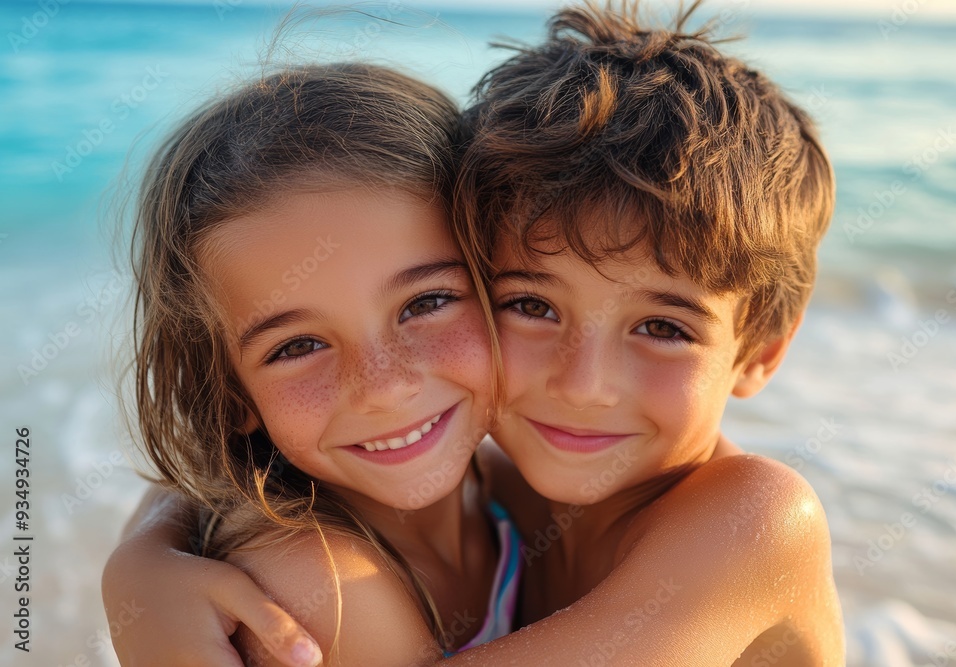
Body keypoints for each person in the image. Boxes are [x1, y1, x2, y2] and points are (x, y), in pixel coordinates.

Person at [105, 2, 845, 664]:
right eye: (533, 306)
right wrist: (147, 552)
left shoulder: (757, 522)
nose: (583, 384)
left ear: (763, 350)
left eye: (662, 327)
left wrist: (141, 564)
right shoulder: (500, 489)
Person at [109, 61, 523, 667]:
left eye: (426, 303)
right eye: (298, 346)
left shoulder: (505, 472)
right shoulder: (316, 591)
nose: (384, 387)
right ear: (232, 397)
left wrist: (144, 551)